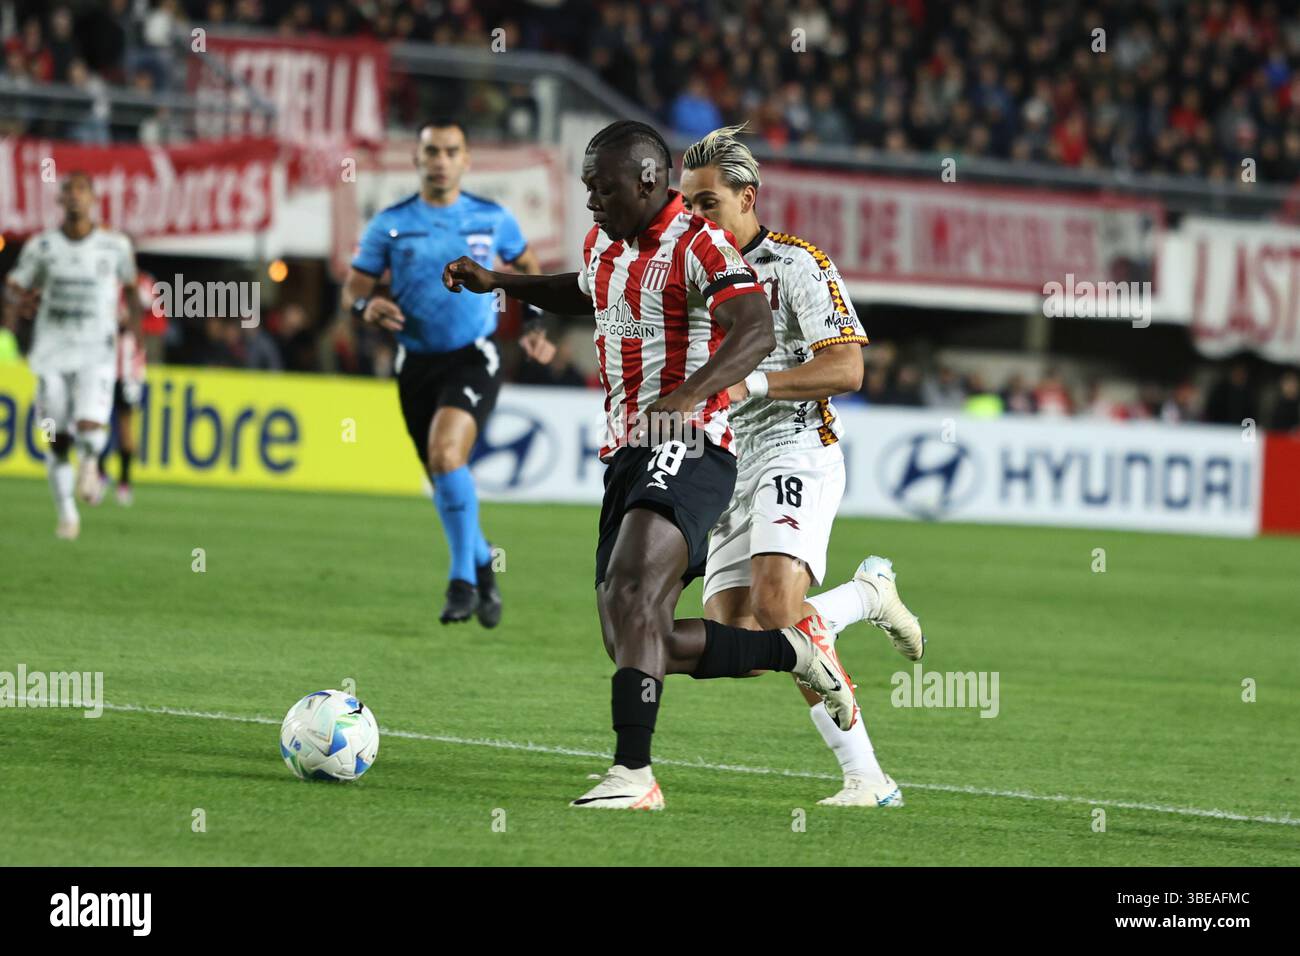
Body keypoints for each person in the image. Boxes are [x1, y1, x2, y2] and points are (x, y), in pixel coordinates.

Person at [443, 120, 856, 810]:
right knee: (636, 635)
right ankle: (793, 652)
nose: (591, 202)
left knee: (635, 590)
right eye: (586, 189)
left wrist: (694, 393)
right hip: (625, 448)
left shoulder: (701, 243)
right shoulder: (604, 241)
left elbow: (753, 326)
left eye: (602, 189)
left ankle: (634, 777)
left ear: (646, 182)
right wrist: (501, 282)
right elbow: (588, 290)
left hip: (691, 441)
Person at [680, 124, 923, 808]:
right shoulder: (688, 270)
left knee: (779, 607)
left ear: (747, 197)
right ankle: (868, 597)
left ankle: (867, 779)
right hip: (728, 461)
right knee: (740, 636)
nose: (694, 218)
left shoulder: (796, 265)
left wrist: (750, 386)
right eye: (686, 205)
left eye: (707, 204)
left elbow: (847, 366)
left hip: (796, 443)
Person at [342, 119, 554, 627]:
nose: (440, 160)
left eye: (450, 151)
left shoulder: (492, 218)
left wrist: (534, 322)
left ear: (466, 161)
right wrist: (366, 306)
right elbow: (353, 288)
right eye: (431, 150)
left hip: (473, 354)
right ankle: (484, 568)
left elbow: (528, 266)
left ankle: (461, 580)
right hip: (414, 362)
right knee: (443, 475)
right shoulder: (390, 224)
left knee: (444, 452)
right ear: (417, 160)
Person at [2, 172, 137, 539]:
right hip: (51, 352)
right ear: (60, 201)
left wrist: (134, 336)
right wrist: (17, 301)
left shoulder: (115, 246)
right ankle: (67, 514)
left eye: (82, 190)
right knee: (56, 439)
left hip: (97, 349)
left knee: (91, 424)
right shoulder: (41, 247)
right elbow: (15, 287)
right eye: (68, 191)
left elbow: (131, 287)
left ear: (94, 198)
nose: (75, 197)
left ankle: (92, 461)